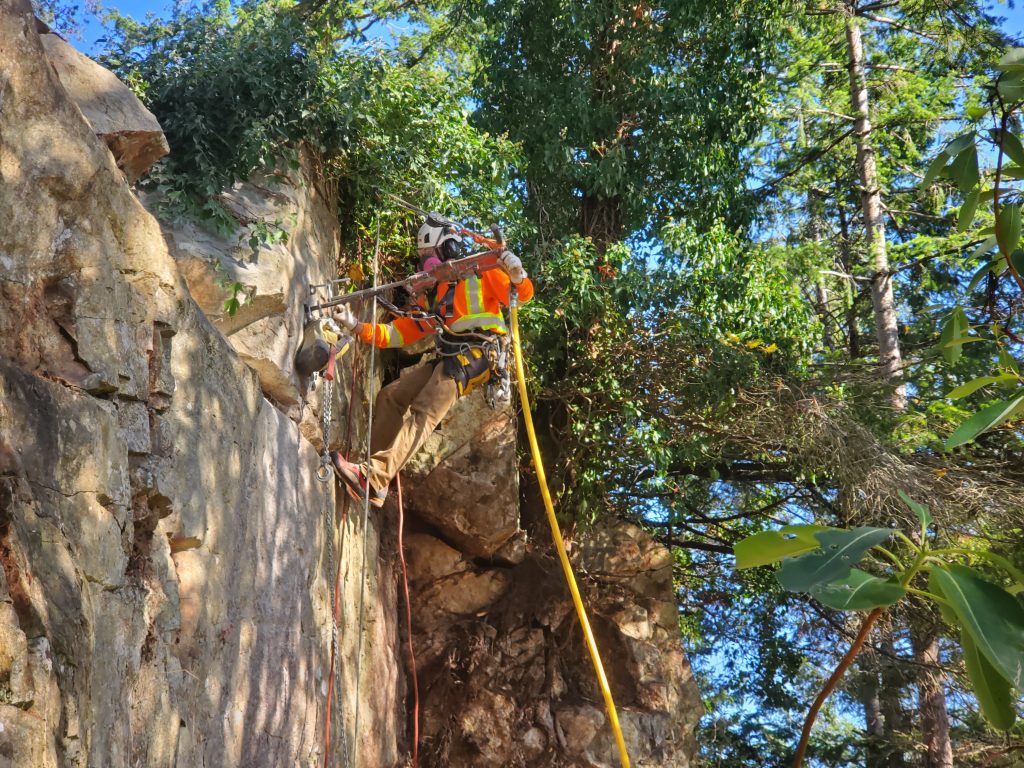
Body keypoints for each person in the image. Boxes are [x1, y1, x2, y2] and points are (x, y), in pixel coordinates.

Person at [330, 216, 534, 507]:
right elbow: (399, 332)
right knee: (391, 396)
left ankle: (372, 476)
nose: (426, 262)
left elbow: (521, 295)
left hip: (480, 354)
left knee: (425, 410)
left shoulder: (483, 271)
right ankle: (375, 481)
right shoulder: (436, 292)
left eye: (429, 254)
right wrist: (355, 326)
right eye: (423, 257)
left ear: (449, 249)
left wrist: (516, 273)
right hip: (450, 354)